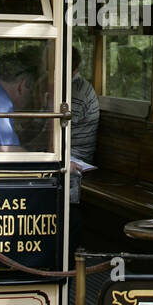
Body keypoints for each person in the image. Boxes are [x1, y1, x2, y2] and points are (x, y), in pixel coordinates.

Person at [69, 47, 100, 205]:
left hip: (77, 157)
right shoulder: (66, 86)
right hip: (67, 151)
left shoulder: (77, 92)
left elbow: (56, 130)